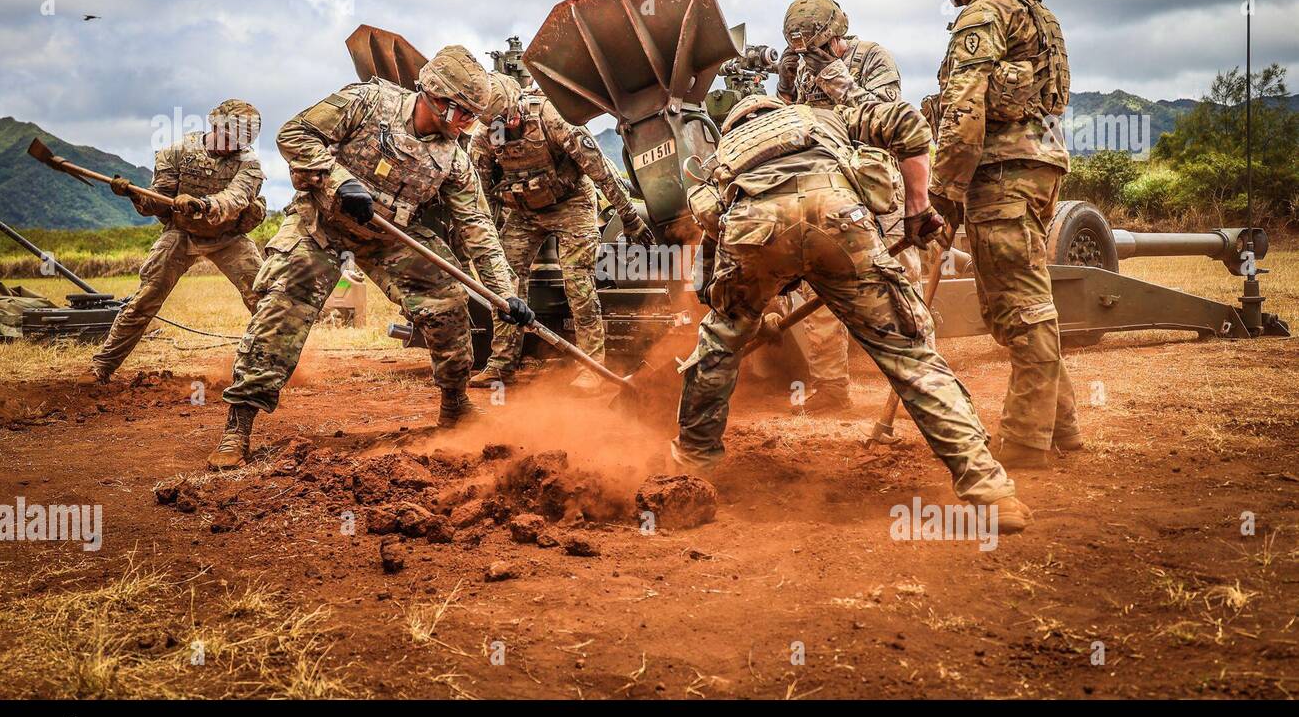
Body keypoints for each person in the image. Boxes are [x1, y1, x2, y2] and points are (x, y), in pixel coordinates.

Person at [675, 94, 1030, 531]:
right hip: (842, 219)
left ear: (735, 124)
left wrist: (745, 313)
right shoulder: (825, 116)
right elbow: (908, 122)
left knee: (719, 343)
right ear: (778, 109)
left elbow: (713, 249)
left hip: (754, 226)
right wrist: (918, 208)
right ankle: (988, 489)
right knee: (908, 354)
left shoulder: (721, 156)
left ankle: (692, 468)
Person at [207, 47, 534, 469]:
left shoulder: (454, 158)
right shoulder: (368, 102)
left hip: (389, 236)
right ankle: (239, 426)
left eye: (474, 117)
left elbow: (478, 227)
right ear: (436, 98)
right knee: (283, 306)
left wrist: (503, 295)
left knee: (449, 300)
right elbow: (295, 133)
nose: (468, 126)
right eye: (464, 115)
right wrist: (340, 182)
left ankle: (455, 404)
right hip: (322, 223)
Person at [915, 0, 1082, 469]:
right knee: (1027, 303)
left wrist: (940, 195)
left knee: (1018, 311)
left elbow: (963, 113)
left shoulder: (982, 18)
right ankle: (1064, 430)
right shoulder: (1037, 13)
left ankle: (1026, 446)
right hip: (1038, 170)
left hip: (1003, 175)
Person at [467, 72, 654, 392]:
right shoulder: (483, 136)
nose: (505, 126)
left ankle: (593, 367)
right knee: (504, 280)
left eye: (509, 119)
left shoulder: (552, 117)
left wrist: (630, 219)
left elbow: (601, 171)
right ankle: (501, 364)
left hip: (572, 204)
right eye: (498, 122)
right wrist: (491, 235)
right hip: (524, 211)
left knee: (577, 279)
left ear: (519, 106)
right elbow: (481, 194)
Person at [775, 0, 915, 413]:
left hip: (878, 186)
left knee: (900, 285)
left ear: (835, 34)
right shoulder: (802, 70)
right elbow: (794, 126)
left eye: (814, 45)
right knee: (821, 284)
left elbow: (883, 117)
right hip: (830, 190)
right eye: (800, 48)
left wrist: (831, 73)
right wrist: (785, 83)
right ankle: (832, 387)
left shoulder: (872, 56)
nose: (809, 55)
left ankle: (916, 387)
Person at [91, 99, 266, 382]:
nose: (232, 145)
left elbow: (235, 199)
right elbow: (156, 203)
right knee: (145, 299)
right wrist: (134, 194)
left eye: (240, 141)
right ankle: (101, 367)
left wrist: (202, 204)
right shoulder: (177, 152)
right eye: (229, 136)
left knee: (264, 298)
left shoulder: (250, 164)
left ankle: (266, 371)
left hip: (227, 237)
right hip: (181, 233)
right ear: (215, 126)